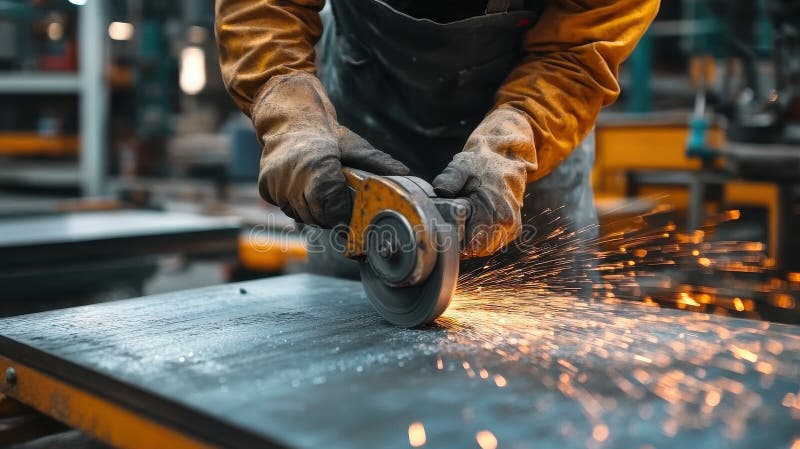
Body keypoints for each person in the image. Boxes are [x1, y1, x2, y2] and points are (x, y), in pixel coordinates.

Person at [215, 0, 660, 267]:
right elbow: (263, 9)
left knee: (551, 362)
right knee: (337, 345)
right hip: (355, 133)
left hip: (528, 153)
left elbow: (580, 52)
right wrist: (290, 113)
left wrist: (512, 144)